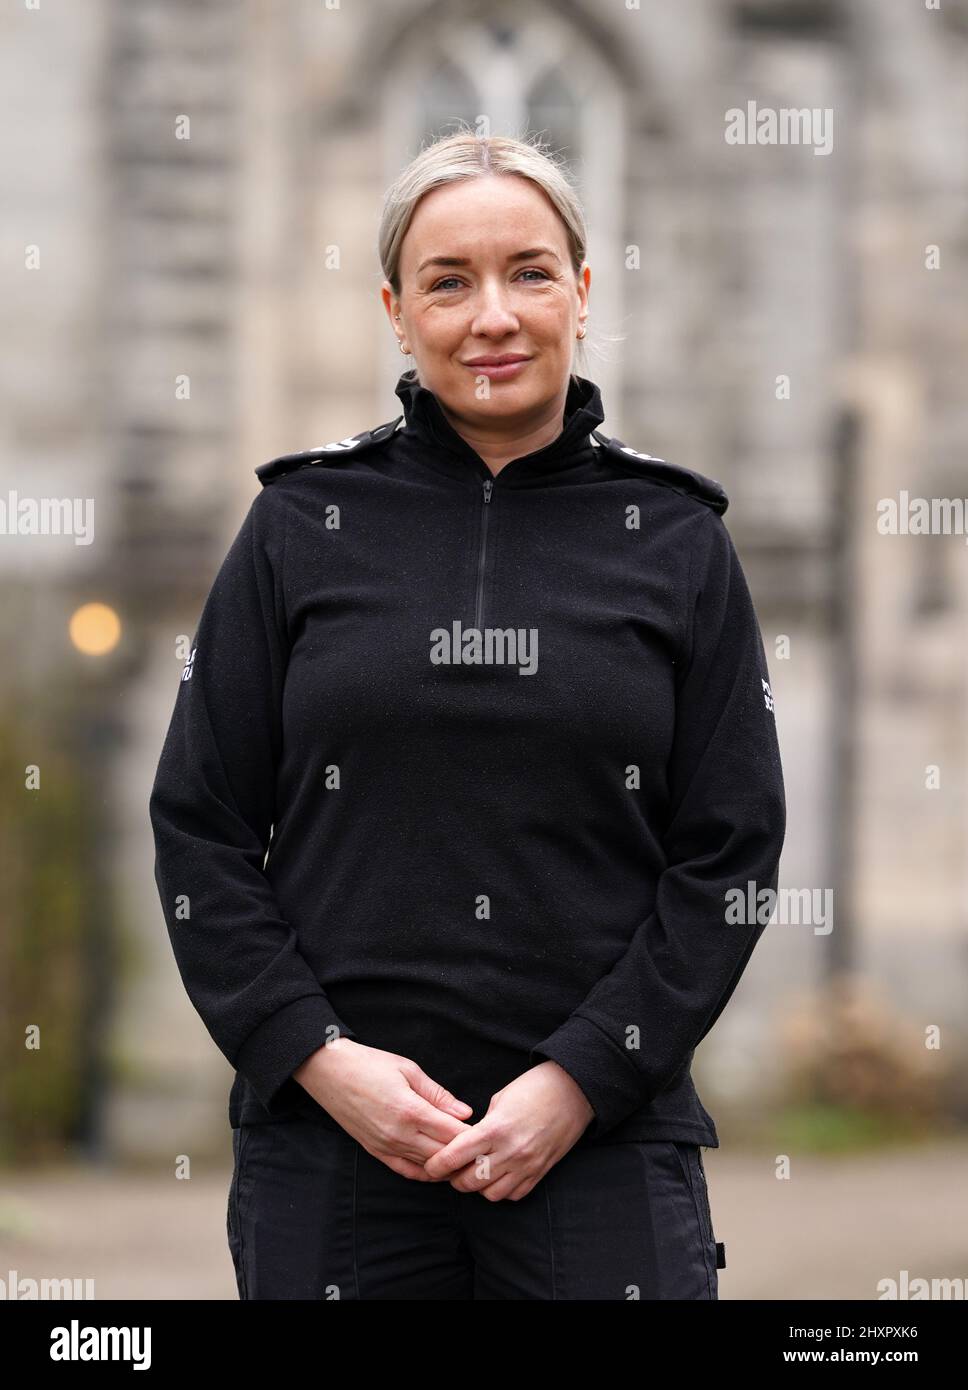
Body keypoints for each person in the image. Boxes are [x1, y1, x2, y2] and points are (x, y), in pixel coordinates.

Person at [148, 130, 786, 1300]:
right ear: (397, 312)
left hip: (600, 1150)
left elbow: (728, 856)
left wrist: (581, 1078)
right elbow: (199, 828)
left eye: (529, 272)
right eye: (447, 281)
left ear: (581, 295)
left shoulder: (680, 542)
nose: (491, 314)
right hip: (332, 1160)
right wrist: (319, 1059)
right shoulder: (299, 526)